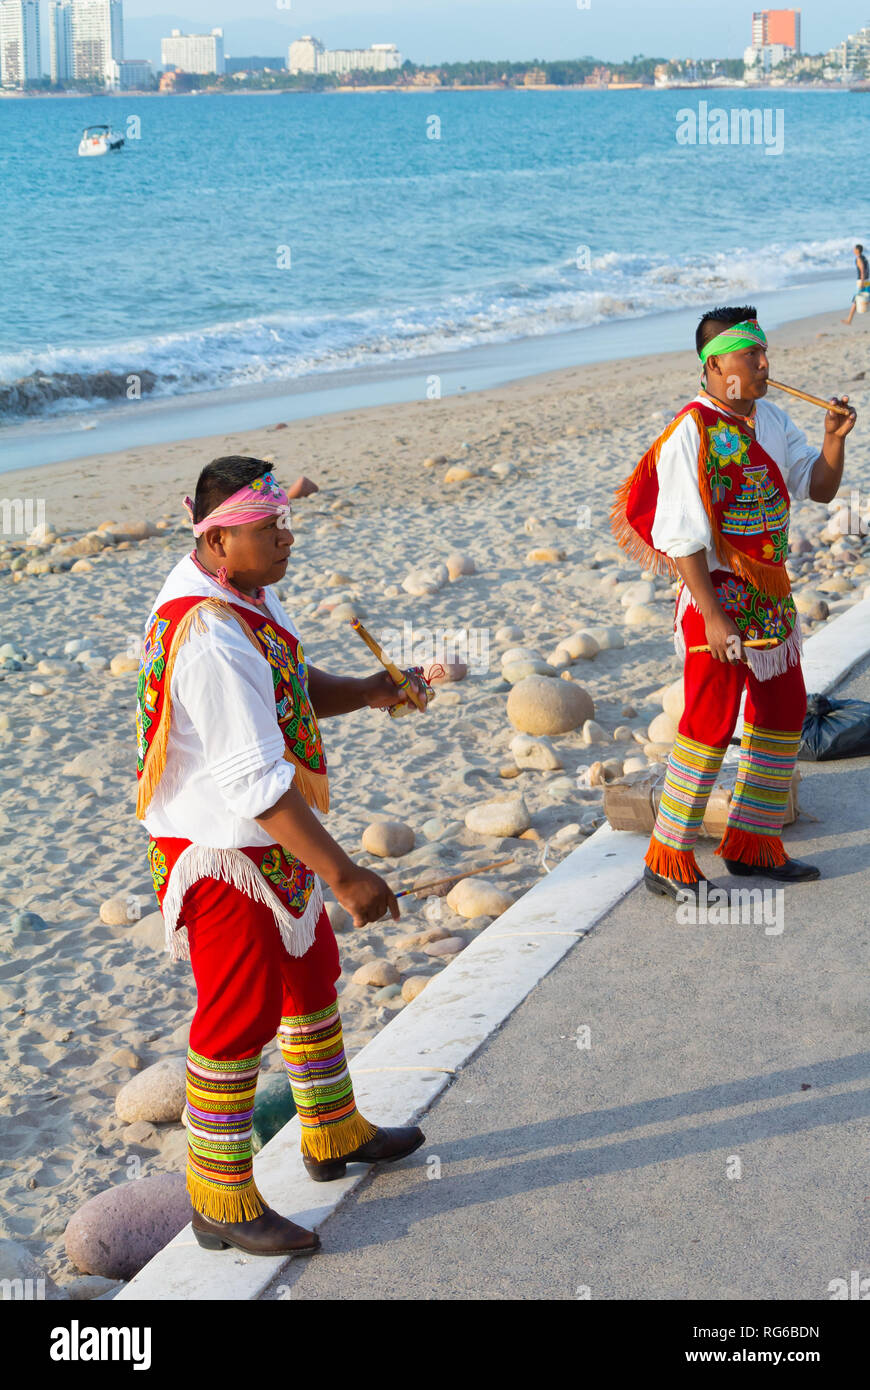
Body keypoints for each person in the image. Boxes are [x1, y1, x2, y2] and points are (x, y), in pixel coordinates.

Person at [136, 456, 431, 1257]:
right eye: (272, 529)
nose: (286, 539)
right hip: (223, 848)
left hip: (264, 837)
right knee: (235, 1016)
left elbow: (289, 684)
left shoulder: (237, 591)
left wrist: (369, 689)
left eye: (284, 524)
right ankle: (220, 1201)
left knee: (310, 975)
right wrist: (345, 873)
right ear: (221, 538)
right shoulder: (208, 633)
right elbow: (255, 781)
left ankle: (331, 1132)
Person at [611, 308, 857, 899]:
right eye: (752, 354)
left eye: (765, 352)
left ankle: (752, 844)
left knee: (782, 711)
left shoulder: (770, 417)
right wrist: (715, 616)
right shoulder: (691, 433)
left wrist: (831, 441)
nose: (765, 364)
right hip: (714, 597)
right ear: (715, 363)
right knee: (708, 724)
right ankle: (666, 858)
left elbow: (817, 487)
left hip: (770, 594)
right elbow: (681, 535)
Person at [842, 243, 869, 326]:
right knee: (865, 298)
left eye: (854, 249)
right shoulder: (864, 258)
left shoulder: (859, 259)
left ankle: (849, 319)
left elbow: (862, 271)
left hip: (862, 281)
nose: (853, 250)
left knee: (855, 299)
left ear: (857, 250)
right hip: (867, 280)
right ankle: (849, 319)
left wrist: (862, 282)